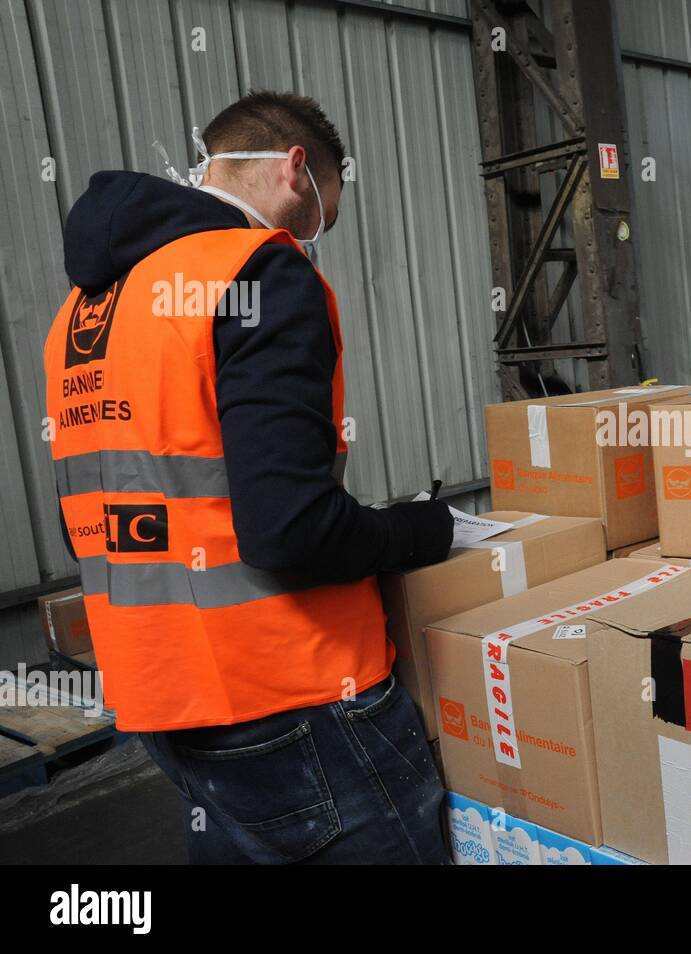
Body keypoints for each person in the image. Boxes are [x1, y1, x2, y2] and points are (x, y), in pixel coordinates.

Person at [44, 91, 454, 863]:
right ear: (297, 168)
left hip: (157, 695)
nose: (312, 236)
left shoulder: (85, 309)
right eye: (321, 215)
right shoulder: (255, 274)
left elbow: (103, 509)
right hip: (291, 694)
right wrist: (421, 529)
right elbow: (290, 531)